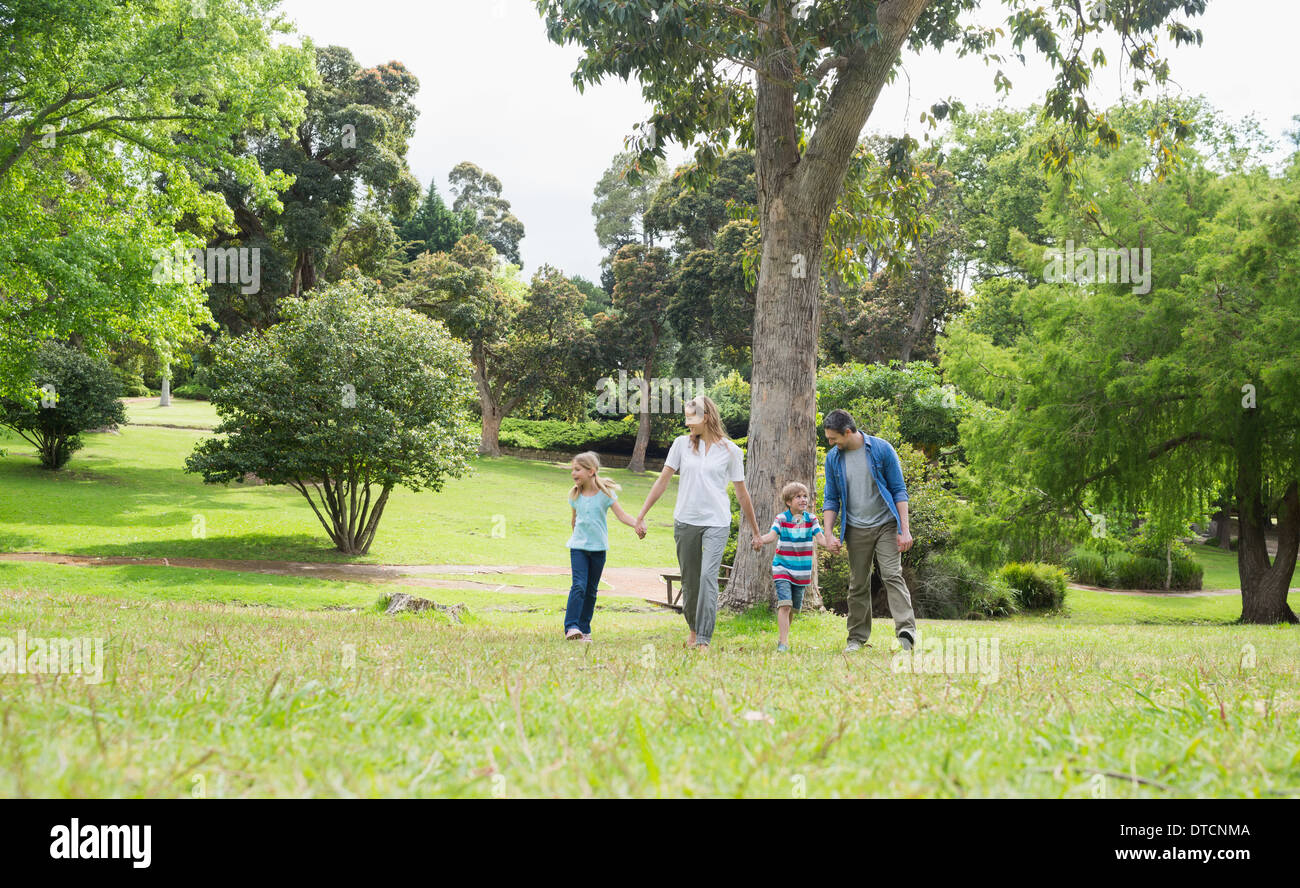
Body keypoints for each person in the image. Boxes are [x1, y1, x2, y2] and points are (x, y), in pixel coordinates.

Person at [635, 395, 762, 650]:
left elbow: (742, 492)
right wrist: (642, 514)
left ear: (706, 417)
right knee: (690, 581)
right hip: (686, 520)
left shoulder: (731, 451)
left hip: (716, 521)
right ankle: (693, 630)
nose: (687, 423)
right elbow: (663, 480)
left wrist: (756, 532)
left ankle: (703, 640)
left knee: (707, 577)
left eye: (691, 417)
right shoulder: (681, 445)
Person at [821, 408, 917, 653]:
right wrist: (829, 533)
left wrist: (904, 530)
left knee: (892, 575)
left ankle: (906, 632)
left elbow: (898, 490)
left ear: (848, 431)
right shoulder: (833, 458)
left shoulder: (881, 449)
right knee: (858, 583)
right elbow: (831, 499)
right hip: (855, 528)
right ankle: (856, 638)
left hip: (886, 524)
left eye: (833, 438)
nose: (831, 443)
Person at [564, 451, 642, 641]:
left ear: (591, 471)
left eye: (577, 469)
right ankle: (571, 627)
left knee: (591, 590)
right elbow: (574, 522)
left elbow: (622, 516)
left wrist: (637, 524)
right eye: (573, 469)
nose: (574, 473)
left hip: (598, 549)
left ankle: (584, 629)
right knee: (579, 586)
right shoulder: (574, 495)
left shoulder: (606, 495)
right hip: (579, 548)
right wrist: (578, 538)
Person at [755, 481, 831, 652]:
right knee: (785, 604)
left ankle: (785, 637)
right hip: (782, 567)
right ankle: (783, 642)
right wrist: (760, 539)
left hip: (802, 571)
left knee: (793, 609)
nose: (803, 499)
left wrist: (831, 544)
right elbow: (772, 535)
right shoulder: (781, 519)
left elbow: (820, 539)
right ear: (789, 502)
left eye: (805, 496)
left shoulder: (811, 519)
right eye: (798, 497)